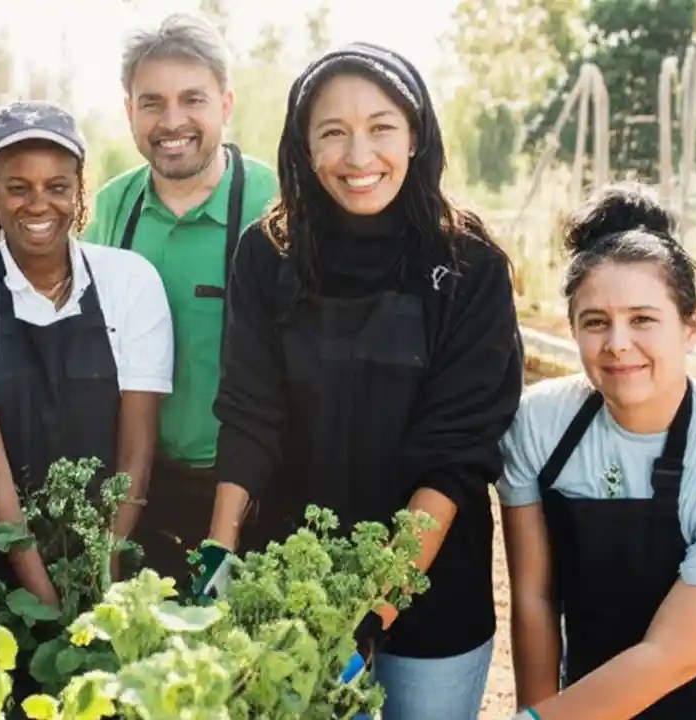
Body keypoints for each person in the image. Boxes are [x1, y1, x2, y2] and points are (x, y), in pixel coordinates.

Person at [197, 43, 524, 719]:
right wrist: (220, 554)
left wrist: (368, 613)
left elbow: (456, 456)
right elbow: (251, 413)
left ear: (415, 135)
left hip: (434, 599)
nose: (358, 156)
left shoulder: (469, 265)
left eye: (381, 127)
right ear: (303, 145)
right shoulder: (268, 252)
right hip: (295, 584)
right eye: (333, 132)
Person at [499, 184, 696, 720]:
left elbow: (669, 655)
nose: (617, 343)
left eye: (642, 319)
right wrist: (538, 709)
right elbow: (534, 598)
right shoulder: (539, 426)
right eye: (595, 322)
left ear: (690, 327)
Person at [0, 101, 173, 611]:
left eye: (57, 187)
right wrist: (48, 603)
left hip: (115, 559)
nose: (39, 204)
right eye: (18, 187)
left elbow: (137, 452)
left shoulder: (130, 281)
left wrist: (103, 579)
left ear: (79, 190)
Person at [86, 12, 278, 585]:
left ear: (225, 103)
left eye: (192, 99)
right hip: (137, 490)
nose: (173, 122)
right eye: (152, 103)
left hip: (255, 491)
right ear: (129, 112)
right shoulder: (110, 210)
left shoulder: (274, 205)